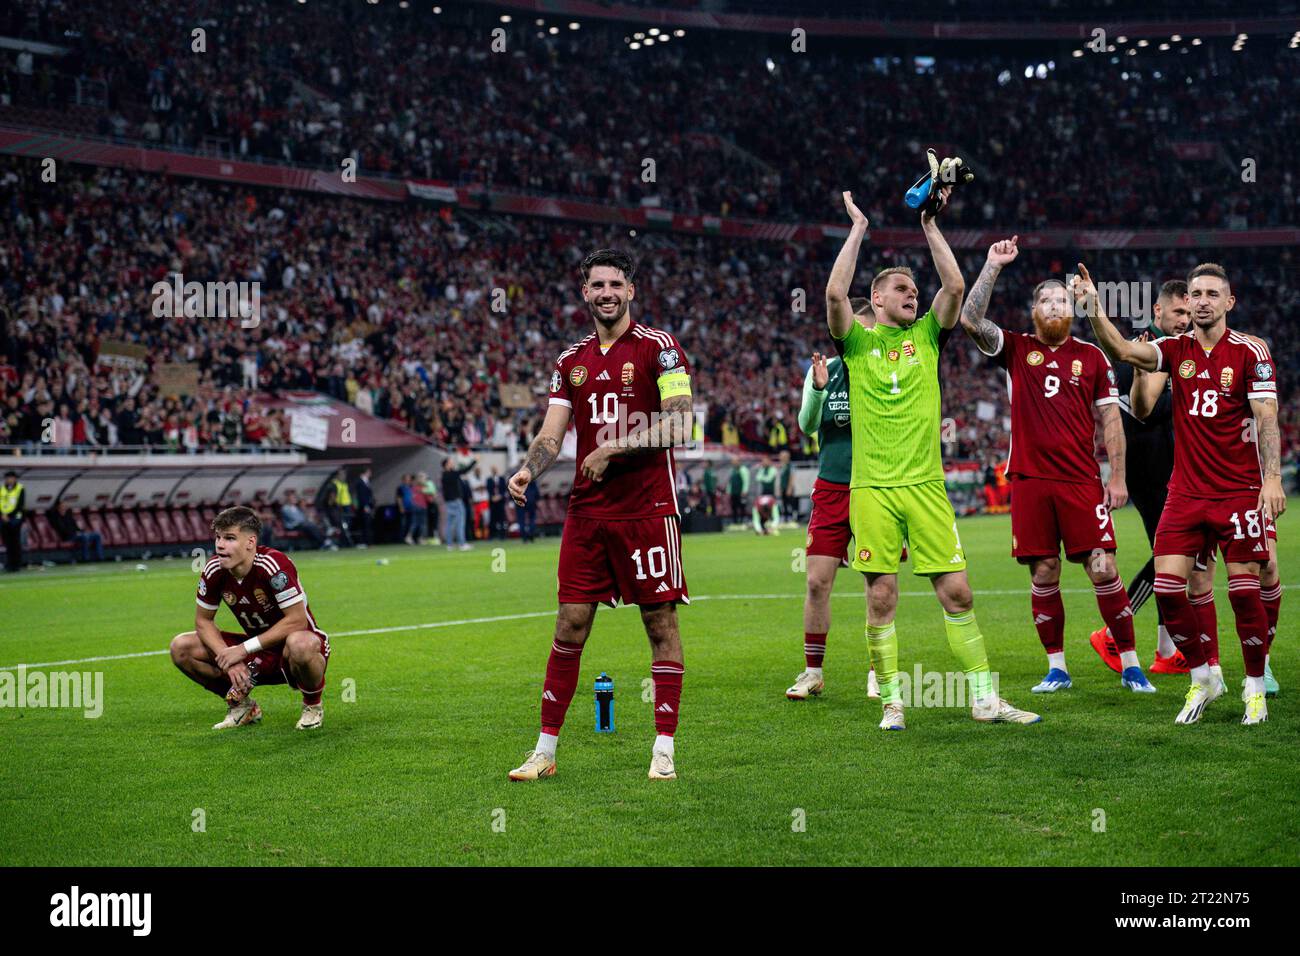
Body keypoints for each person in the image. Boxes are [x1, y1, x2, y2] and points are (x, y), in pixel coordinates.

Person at [827, 187, 1039, 731]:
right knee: (882, 596)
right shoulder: (855, 344)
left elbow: (955, 286)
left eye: (913, 290)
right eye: (901, 289)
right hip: (871, 488)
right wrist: (858, 229)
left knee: (959, 591)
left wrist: (928, 224)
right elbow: (833, 294)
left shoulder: (927, 337)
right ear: (875, 301)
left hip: (925, 486)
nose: (912, 295)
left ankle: (985, 699)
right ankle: (893, 703)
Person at [506, 247, 693, 782]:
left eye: (616, 284)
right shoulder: (570, 362)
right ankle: (544, 750)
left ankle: (664, 748)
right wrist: (528, 470)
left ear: (631, 290)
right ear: (584, 293)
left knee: (660, 623)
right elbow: (551, 433)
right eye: (597, 285)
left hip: (648, 509)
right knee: (569, 623)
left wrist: (614, 448)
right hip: (587, 513)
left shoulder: (660, 348)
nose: (607, 293)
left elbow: (681, 424)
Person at [1079, 261, 1285, 725]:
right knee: (1170, 589)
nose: (1204, 301)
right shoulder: (1174, 349)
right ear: (1186, 303)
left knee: (1244, 590)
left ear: (1229, 302)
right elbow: (1121, 349)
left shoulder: (1251, 350)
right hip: (1185, 491)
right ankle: (1203, 677)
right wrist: (1092, 306)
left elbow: (1267, 414)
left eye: (1213, 293)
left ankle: (1255, 687)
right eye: (1196, 294)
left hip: (1238, 490)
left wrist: (1272, 477)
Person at [959, 235, 1153, 694]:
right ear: (1033, 311)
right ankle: (1057, 668)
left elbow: (1110, 420)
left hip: (1082, 482)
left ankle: (1130, 663)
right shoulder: (1014, 347)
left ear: (1073, 310)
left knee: (1103, 567)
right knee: (1044, 570)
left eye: (1060, 299)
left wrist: (1118, 476)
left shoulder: (1093, 357)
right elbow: (969, 320)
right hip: (1028, 480)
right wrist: (992, 265)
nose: (1052, 305)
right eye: (1044, 299)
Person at [1086, 281, 1205, 675]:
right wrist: (1119, 476)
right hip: (1149, 469)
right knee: (1168, 557)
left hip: (1172, 469)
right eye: (1177, 314)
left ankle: (1166, 651)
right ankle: (1110, 634)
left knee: (1175, 558)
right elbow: (1138, 414)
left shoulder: (1184, 352)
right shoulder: (1143, 352)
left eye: (1188, 315)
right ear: (1157, 312)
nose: (1184, 321)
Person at [169, 506, 330, 731]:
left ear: (250, 542)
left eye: (230, 538)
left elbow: (297, 621)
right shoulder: (214, 569)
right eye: (217, 537)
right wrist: (231, 660)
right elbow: (203, 621)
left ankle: (312, 706)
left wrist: (242, 650)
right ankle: (243, 707)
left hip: (294, 650)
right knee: (181, 647)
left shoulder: (273, 565)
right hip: (256, 651)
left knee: (300, 643)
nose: (220, 544)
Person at [785, 330, 881, 702]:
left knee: (877, 583)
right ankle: (813, 672)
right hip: (831, 489)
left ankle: (879, 672)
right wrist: (820, 389)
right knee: (816, 583)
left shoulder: (885, 369)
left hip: (875, 488)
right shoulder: (825, 370)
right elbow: (806, 425)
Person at [441, 455, 476, 551]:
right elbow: (465, 470)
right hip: (456, 501)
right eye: (450, 462)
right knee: (460, 522)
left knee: (449, 524)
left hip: (448, 502)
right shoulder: (451, 474)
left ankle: (449, 545)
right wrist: (474, 461)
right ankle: (462, 544)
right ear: (447, 465)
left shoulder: (444, 475)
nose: (452, 463)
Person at [1, 470, 25, 573]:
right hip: (3, 519)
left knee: (15, 543)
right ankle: (9, 564)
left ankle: (17, 564)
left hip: (15, 519)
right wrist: (3, 515)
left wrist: (9, 515)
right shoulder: (2, 489)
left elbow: (20, 505)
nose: (9, 480)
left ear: (15, 479)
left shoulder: (20, 489)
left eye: (11, 478)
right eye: (7, 478)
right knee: (7, 543)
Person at [353, 467, 374, 547]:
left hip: (367, 506)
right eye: (369, 472)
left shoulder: (366, 482)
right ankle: (366, 542)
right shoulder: (360, 482)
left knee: (367, 524)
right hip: (363, 507)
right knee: (365, 524)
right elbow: (361, 495)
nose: (370, 473)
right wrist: (365, 505)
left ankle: (368, 542)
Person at [487, 466, 509, 540]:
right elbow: (488, 490)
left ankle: (502, 535)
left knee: (502, 519)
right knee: (492, 519)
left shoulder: (501, 479)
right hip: (493, 503)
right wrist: (492, 497)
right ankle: (492, 535)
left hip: (500, 502)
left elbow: (505, 490)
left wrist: (500, 496)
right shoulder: (489, 480)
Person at [727, 455, 749, 526]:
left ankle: (743, 521)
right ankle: (735, 522)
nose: (733, 463)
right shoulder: (732, 470)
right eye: (732, 461)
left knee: (742, 507)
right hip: (734, 492)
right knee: (734, 507)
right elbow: (730, 482)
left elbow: (746, 481)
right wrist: (728, 491)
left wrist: (744, 490)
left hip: (741, 492)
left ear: (739, 462)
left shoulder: (743, 470)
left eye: (735, 461)